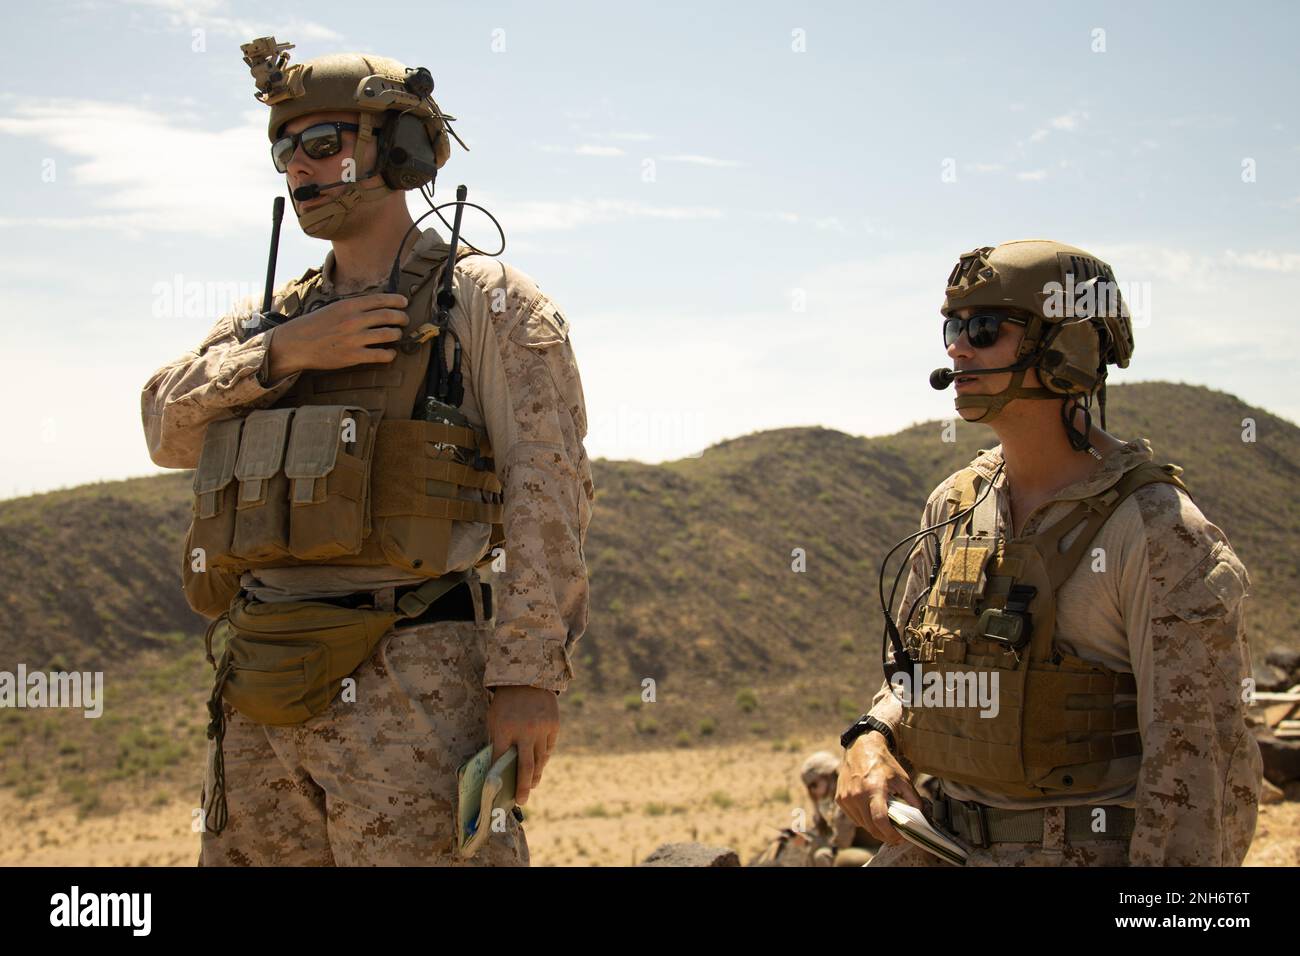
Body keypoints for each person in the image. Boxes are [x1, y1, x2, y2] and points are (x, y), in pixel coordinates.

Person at [140, 36, 594, 866]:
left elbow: (548, 492)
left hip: (412, 685)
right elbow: (164, 428)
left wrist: (527, 675)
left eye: (324, 143)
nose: (300, 169)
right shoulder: (269, 322)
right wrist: (282, 355)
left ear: (401, 149)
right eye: (285, 150)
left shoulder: (484, 304)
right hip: (261, 689)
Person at [836, 241, 1261, 866]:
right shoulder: (954, 505)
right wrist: (870, 739)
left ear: (1070, 350)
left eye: (984, 329)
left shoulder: (1158, 532)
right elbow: (917, 676)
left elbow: (1201, 773)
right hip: (941, 844)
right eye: (953, 328)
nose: (958, 348)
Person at [799, 751, 877, 867]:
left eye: (813, 785)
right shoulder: (837, 797)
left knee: (823, 856)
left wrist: (823, 843)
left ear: (827, 775)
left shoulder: (846, 795)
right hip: (867, 848)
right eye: (809, 788)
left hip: (879, 850)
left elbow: (842, 842)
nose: (812, 791)